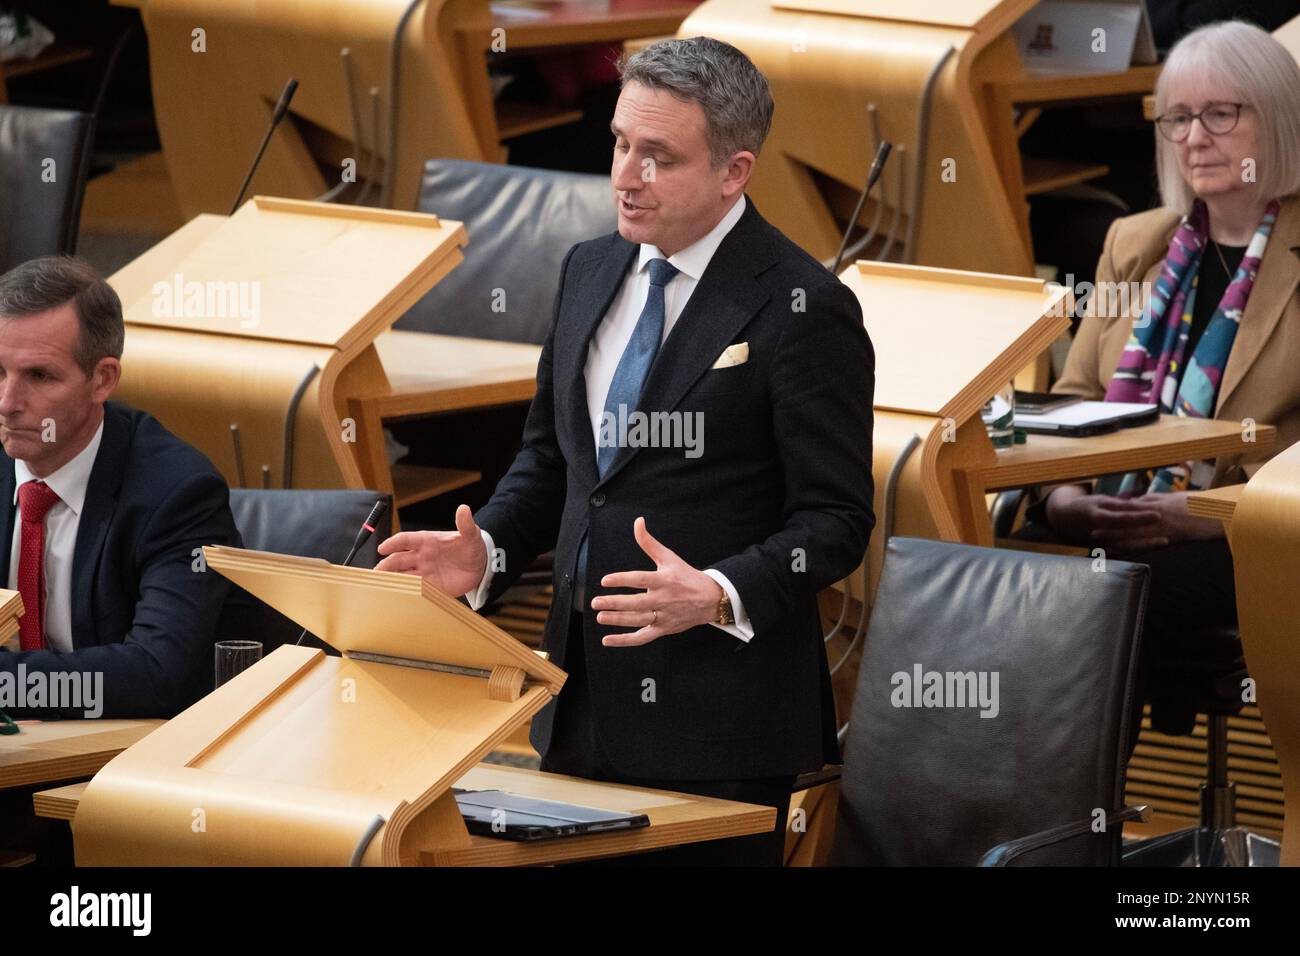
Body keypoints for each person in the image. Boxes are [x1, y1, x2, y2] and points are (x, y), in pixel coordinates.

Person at [377, 37, 875, 865]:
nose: (624, 176)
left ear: (734, 171)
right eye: (619, 144)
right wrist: (489, 548)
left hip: (719, 728)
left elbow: (836, 519)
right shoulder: (588, 267)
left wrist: (718, 592)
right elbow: (552, 462)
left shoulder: (803, 308)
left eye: (658, 157)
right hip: (577, 705)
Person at [1036, 21, 1300, 740]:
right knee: (983, 574)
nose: (1195, 138)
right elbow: (1073, 399)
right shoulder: (1134, 241)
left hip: (1258, 538)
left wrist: (1197, 515)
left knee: (1096, 604)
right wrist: (1063, 499)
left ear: (1278, 116)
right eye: (1178, 118)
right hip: (1117, 516)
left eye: (1221, 114)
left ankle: (1078, 805)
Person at [0, 256, 240, 720]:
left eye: (39, 376)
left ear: (102, 379)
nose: (8, 403)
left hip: (126, 750)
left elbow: (158, 673)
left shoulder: (178, 492)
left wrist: (6, 684)